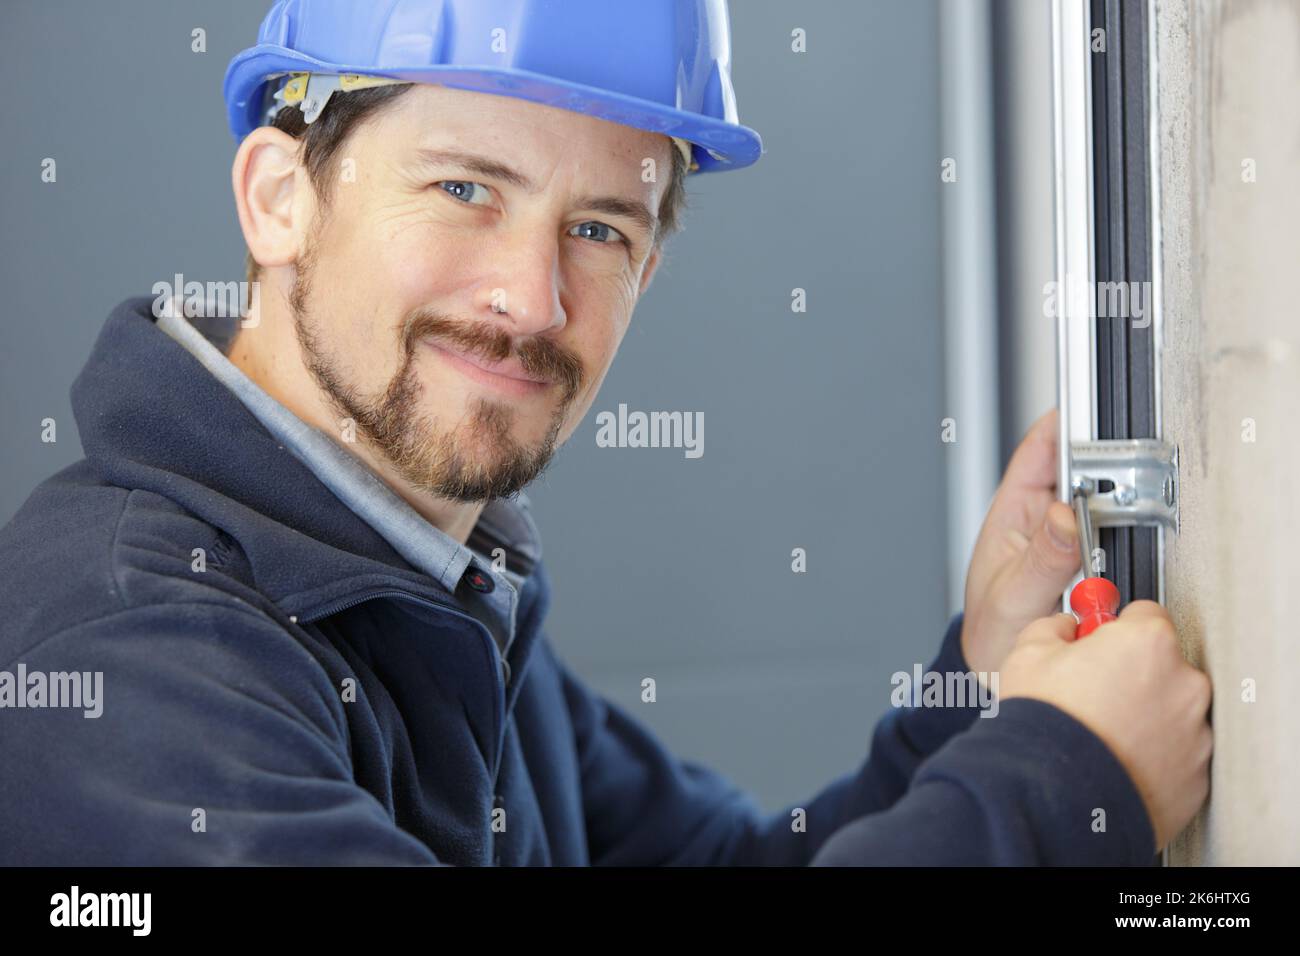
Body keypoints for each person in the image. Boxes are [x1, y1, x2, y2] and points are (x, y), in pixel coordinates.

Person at [0, 0, 1209, 865]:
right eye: (464, 188)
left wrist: (985, 689)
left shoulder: (436, 588)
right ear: (279, 196)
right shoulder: (127, 658)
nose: (531, 300)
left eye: (601, 231)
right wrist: (1064, 789)